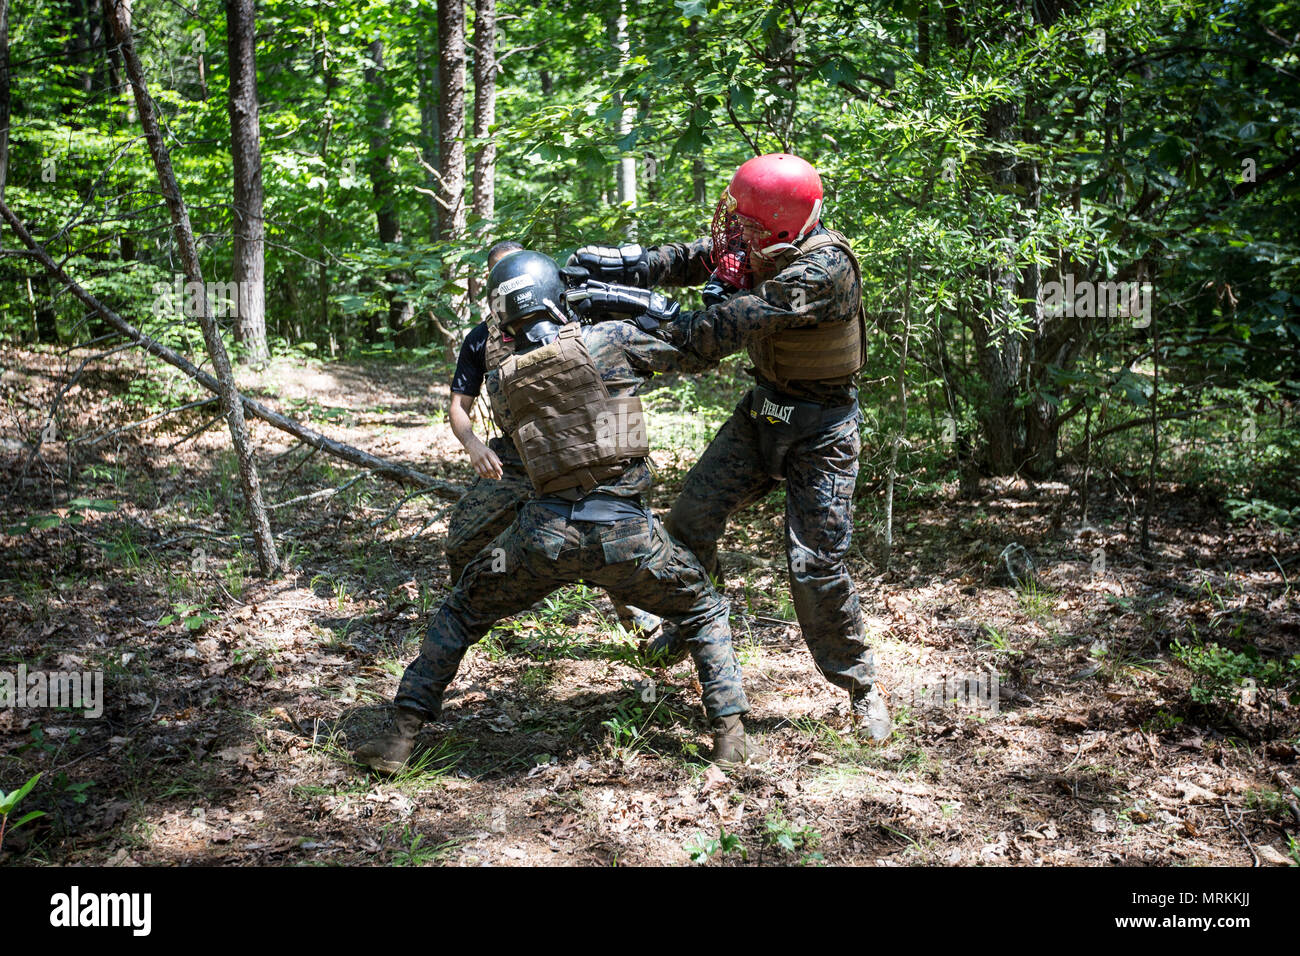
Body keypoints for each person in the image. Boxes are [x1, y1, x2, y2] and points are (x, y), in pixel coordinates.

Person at [353, 250, 758, 774]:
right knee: (702, 609)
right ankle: (730, 738)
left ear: (502, 314)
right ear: (558, 296)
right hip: (626, 535)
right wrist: (650, 304)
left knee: (460, 611)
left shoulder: (503, 379)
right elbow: (701, 349)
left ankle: (400, 739)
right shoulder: (611, 340)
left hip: (542, 538)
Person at [569, 152, 891, 741]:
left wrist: (634, 313)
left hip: (821, 429)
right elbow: (705, 257)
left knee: (814, 564)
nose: (735, 231)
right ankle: (684, 627)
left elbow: (715, 334)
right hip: (764, 412)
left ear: (781, 224)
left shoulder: (822, 272)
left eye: (746, 222)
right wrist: (633, 266)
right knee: (690, 522)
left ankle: (860, 686)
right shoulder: (767, 238)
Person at [444, 241, 661, 639]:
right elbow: (458, 405)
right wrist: (474, 445)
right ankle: (474, 617)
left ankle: (646, 625)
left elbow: (622, 373)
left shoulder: (567, 314)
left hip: (583, 446)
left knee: (613, 532)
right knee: (462, 540)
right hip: (517, 454)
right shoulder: (480, 340)